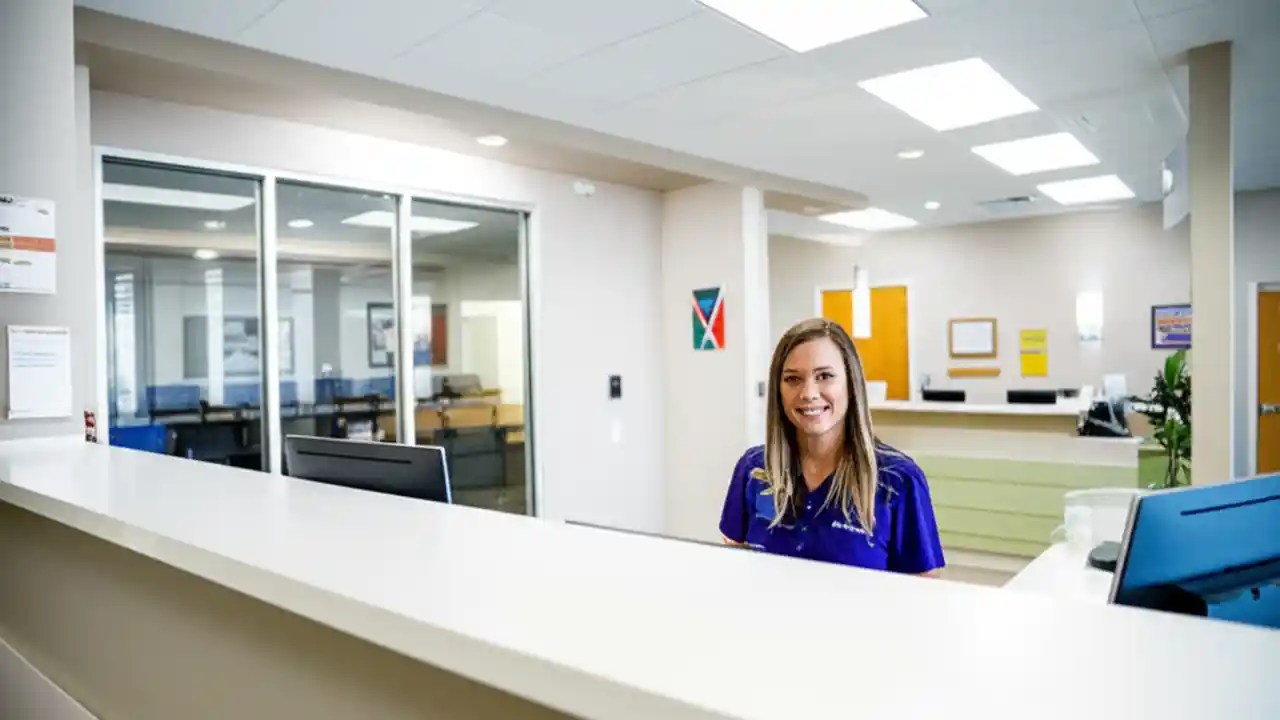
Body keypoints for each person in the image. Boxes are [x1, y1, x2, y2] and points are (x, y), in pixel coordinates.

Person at [719, 318, 945, 575]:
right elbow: (734, 562)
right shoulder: (754, 469)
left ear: (851, 385)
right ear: (778, 390)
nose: (809, 393)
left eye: (824, 376)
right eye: (793, 379)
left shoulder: (898, 480)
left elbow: (923, 591)